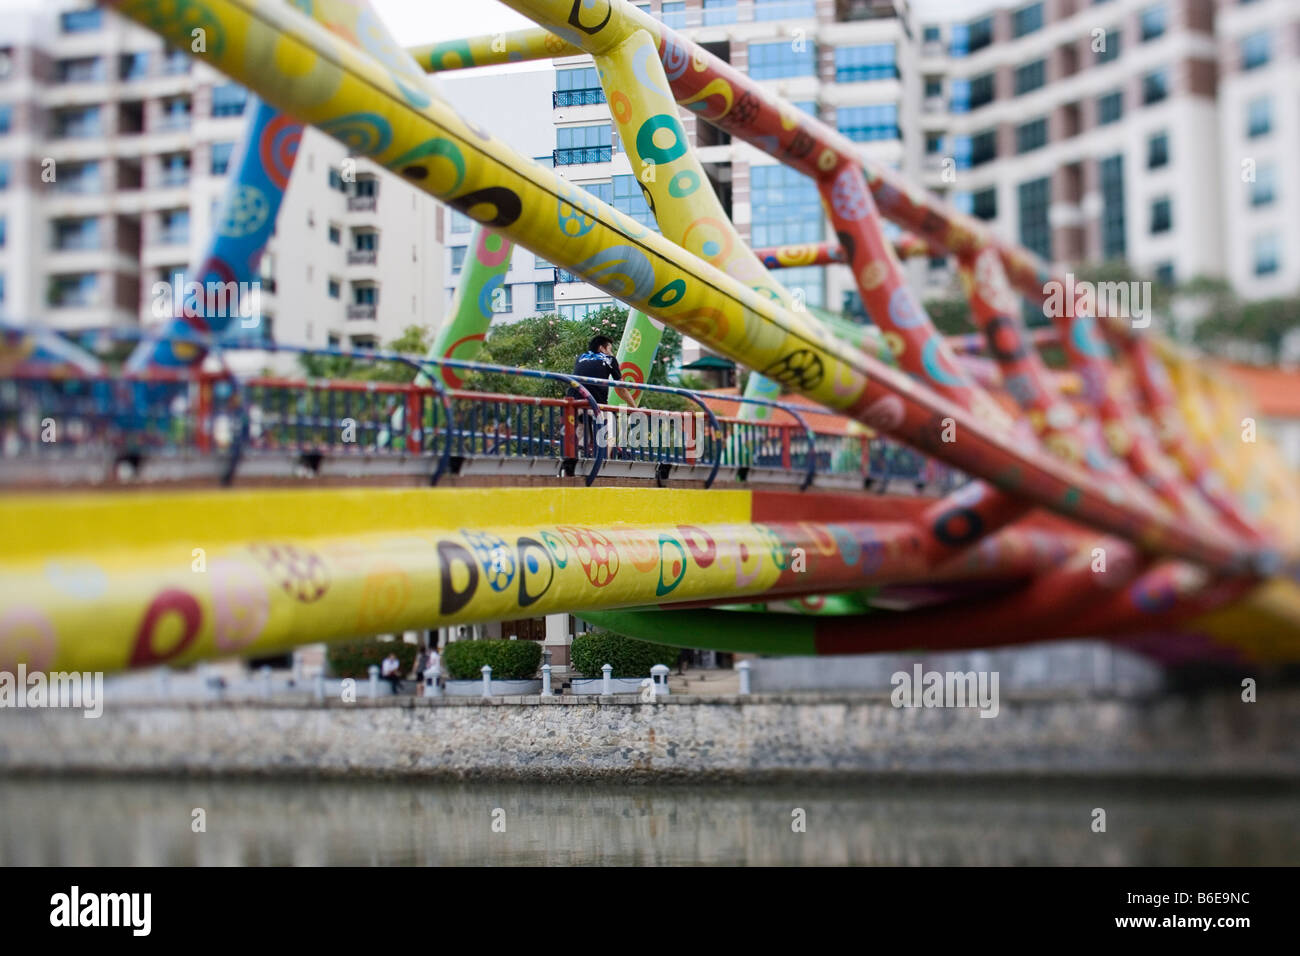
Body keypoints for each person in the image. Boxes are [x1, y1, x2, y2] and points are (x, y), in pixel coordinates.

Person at [562, 336, 623, 475]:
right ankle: (604, 464)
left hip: (574, 404)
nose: (611, 352)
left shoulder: (581, 357)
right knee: (611, 426)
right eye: (610, 349)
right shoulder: (609, 359)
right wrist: (634, 406)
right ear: (602, 348)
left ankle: (574, 458)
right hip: (595, 405)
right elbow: (621, 388)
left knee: (581, 428)